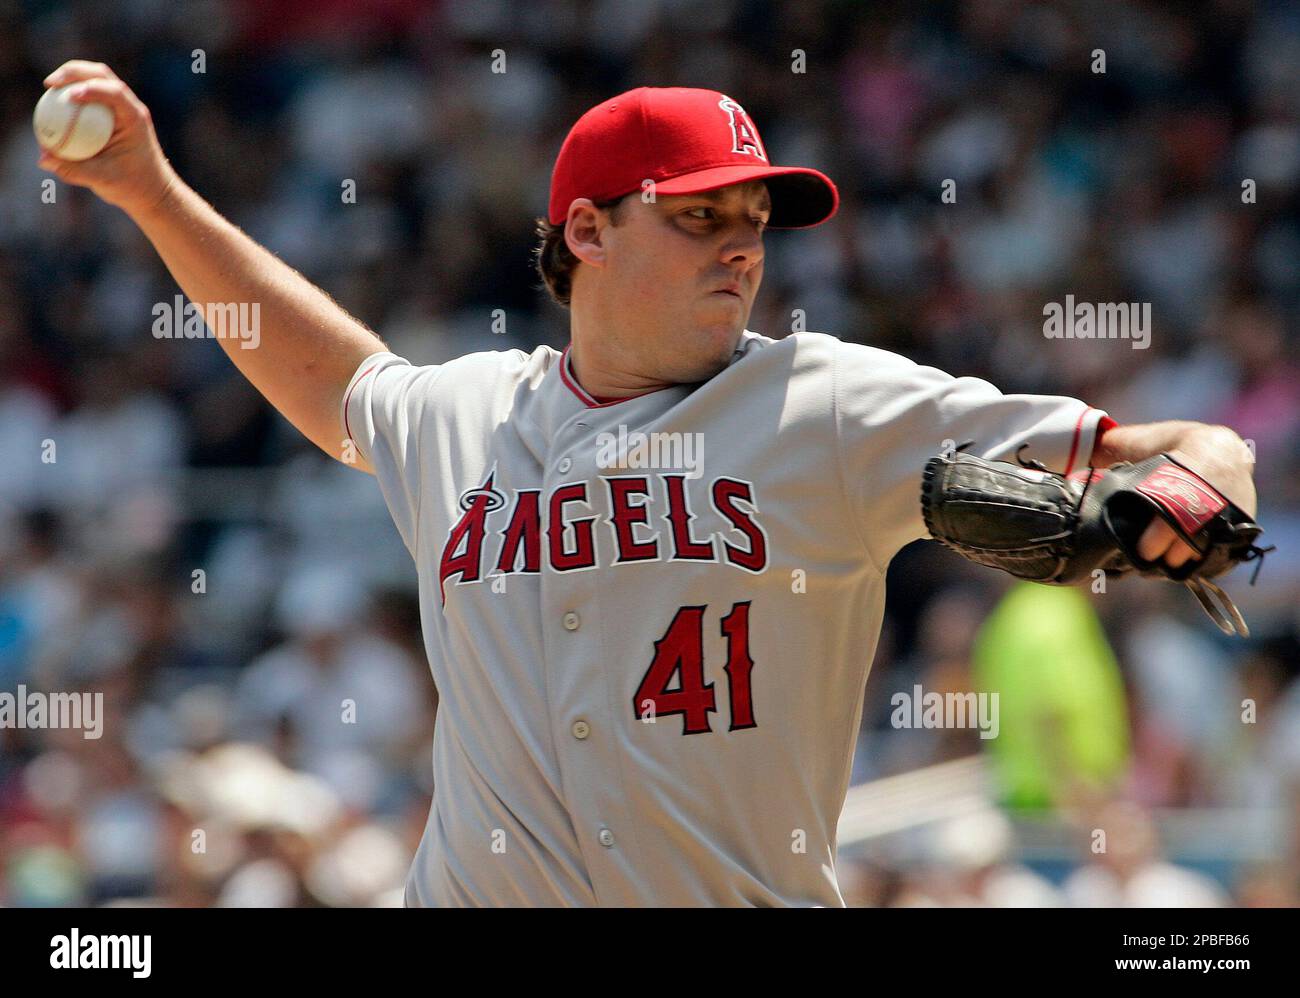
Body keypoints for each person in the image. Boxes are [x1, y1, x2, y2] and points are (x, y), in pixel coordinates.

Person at [38, 63, 1259, 906]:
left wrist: (1193, 498)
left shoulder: (825, 403)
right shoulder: (464, 415)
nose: (741, 239)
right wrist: (152, 191)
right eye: (696, 214)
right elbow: (332, 377)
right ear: (586, 232)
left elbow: (1196, 444)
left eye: (755, 216)